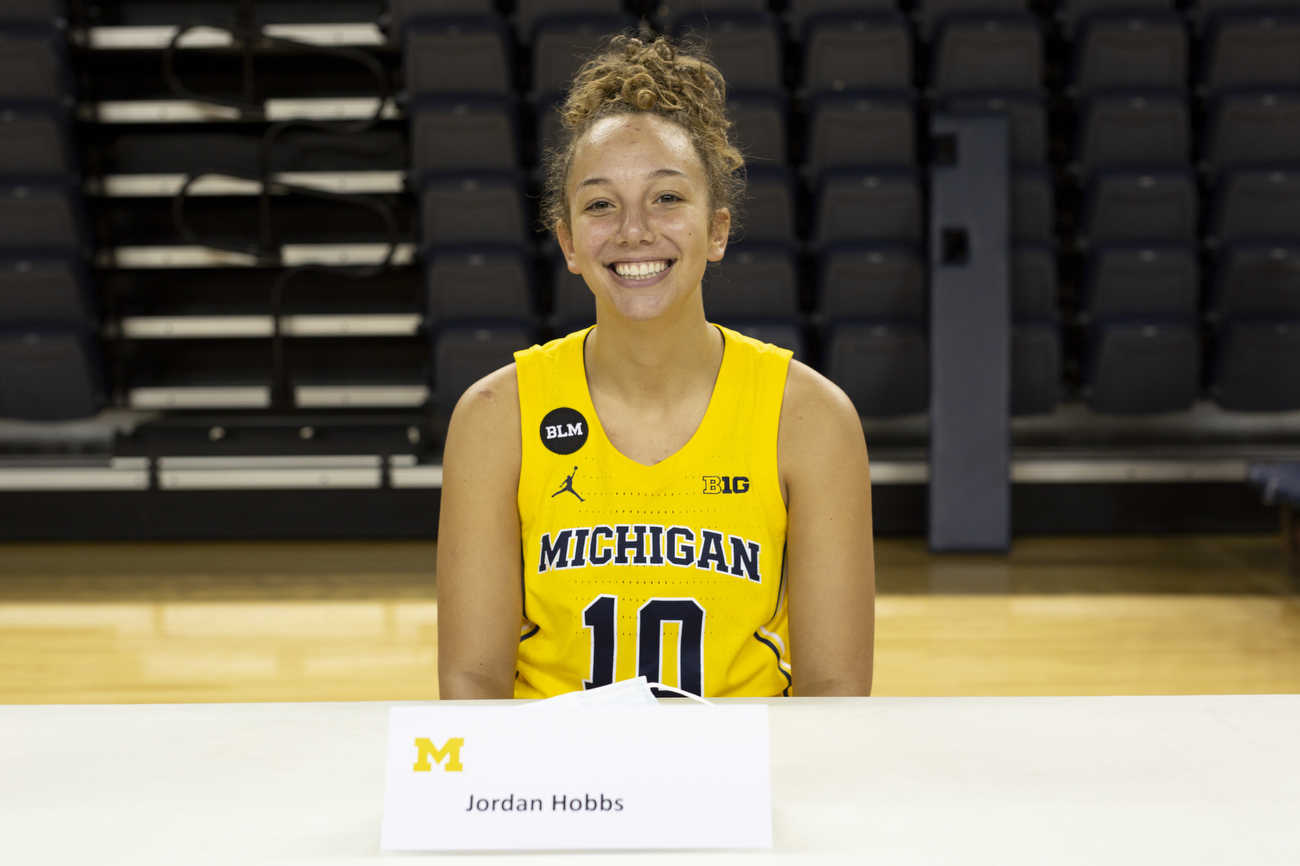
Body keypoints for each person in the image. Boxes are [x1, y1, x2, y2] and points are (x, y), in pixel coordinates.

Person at [437, 35, 874, 699]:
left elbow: (835, 686)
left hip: (738, 788)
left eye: (667, 198)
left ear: (718, 230)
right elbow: (472, 677)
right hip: (560, 793)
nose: (634, 230)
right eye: (600, 204)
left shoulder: (810, 417)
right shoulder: (497, 415)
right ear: (570, 243)